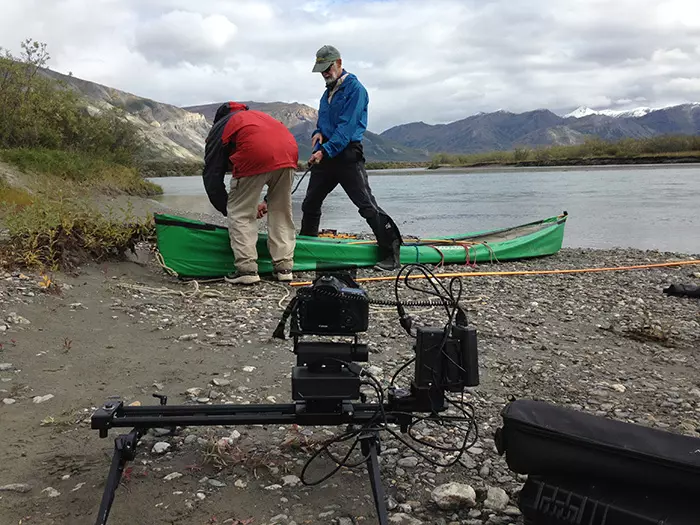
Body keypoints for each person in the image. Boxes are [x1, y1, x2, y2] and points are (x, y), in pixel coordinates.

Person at [301, 45, 403, 271]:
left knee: (366, 205)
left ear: (338, 63)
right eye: (321, 70)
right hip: (326, 154)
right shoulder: (326, 92)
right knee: (310, 203)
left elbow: (346, 129)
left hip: (347, 155)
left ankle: (391, 252)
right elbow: (323, 124)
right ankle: (307, 246)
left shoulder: (356, 89)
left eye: (327, 68)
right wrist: (316, 135)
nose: (324, 73)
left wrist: (324, 151)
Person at [202, 101, 298, 285]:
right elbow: (272, 157)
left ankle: (246, 269)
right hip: (289, 153)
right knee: (281, 211)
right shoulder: (259, 117)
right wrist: (266, 201)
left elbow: (212, 175)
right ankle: (284, 267)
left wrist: (229, 208)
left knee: (240, 214)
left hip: (254, 153)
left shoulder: (221, 126)